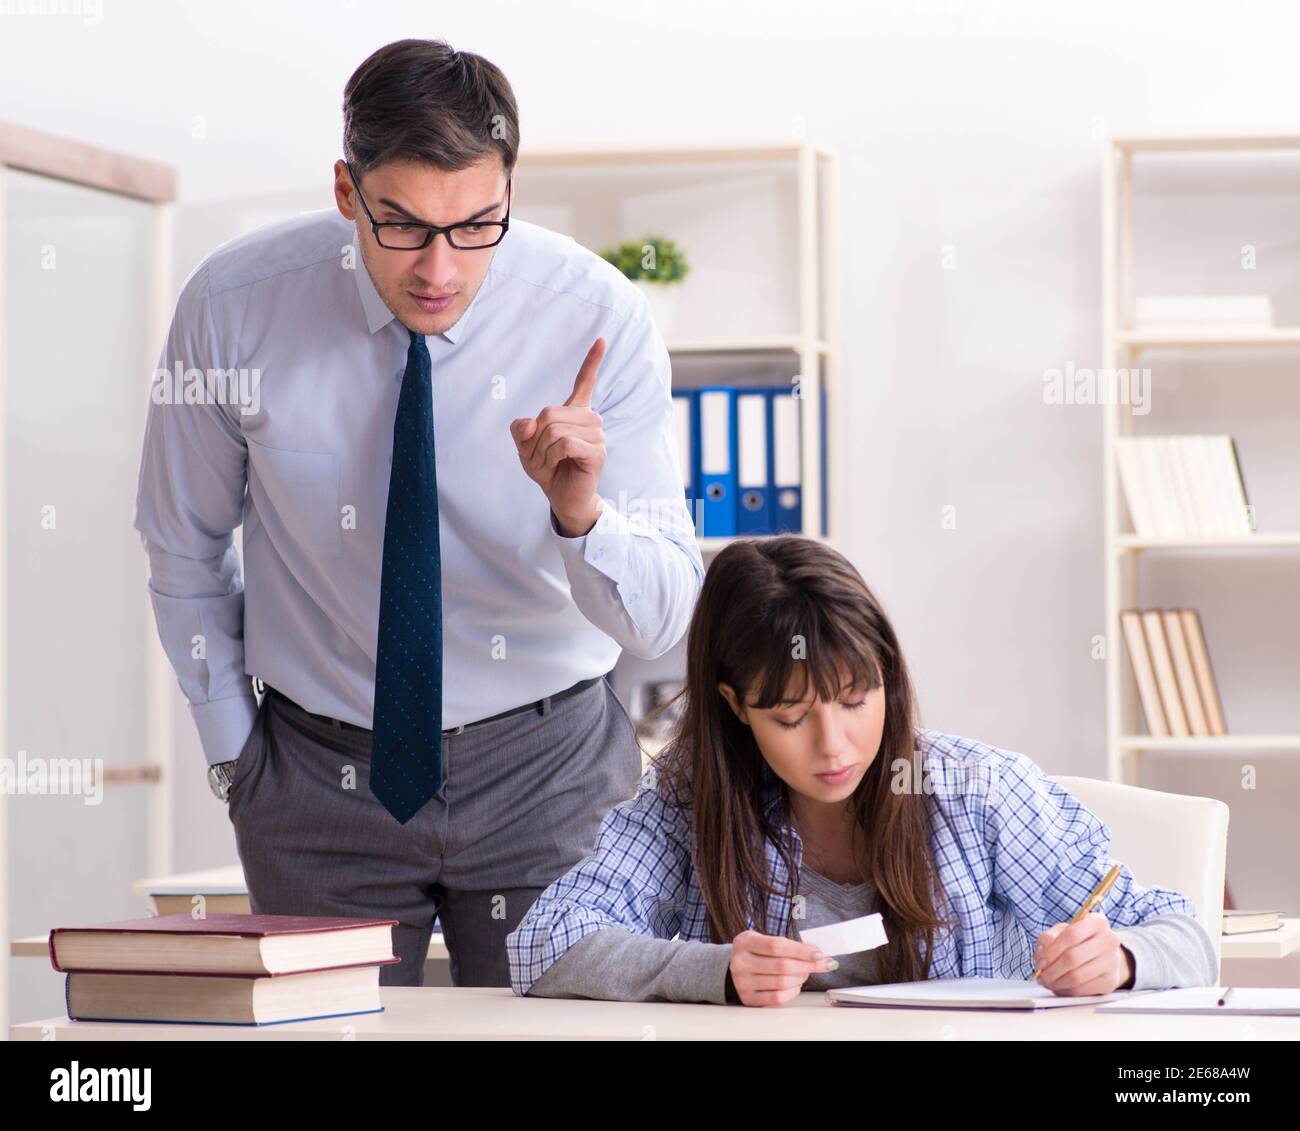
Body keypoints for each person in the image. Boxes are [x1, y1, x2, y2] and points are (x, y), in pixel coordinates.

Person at [132, 38, 702, 988]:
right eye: (402, 224)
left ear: (510, 190)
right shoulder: (233, 310)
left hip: (550, 773)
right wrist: (237, 759)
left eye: (478, 223)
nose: (440, 267)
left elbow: (664, 616)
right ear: (348, 192)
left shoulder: (595, 317)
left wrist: (583, 515)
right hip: (318, 780)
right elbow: (181, 548)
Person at [506, 536, 1218, 1005]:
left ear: (888, 677)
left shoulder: (976, 792)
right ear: (736, 707)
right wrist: (713, 969)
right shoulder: (688, 799)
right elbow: (542, 943)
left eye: (856, 700)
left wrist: (1120, 957)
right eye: (790, 718)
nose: (835, 744)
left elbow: (1186, 935)